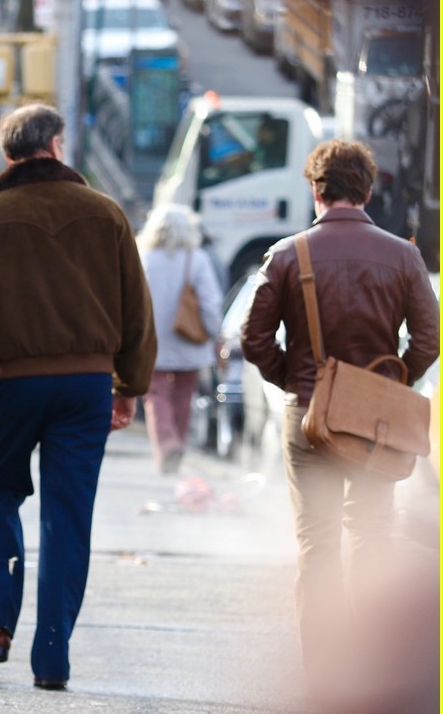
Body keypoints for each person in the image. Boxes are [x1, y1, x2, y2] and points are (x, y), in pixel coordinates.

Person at [0, 103, 156, 689]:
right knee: (67, 517)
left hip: (9, 384)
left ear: (8, 154)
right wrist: (129, 385)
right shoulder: (106, 213)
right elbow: (136, 309)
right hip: (87, 386)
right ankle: (53, 657)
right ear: (57, 146)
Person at [239, 139, 438, 681]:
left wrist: (300, 383)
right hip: (377, 422)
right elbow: (430, 337)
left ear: (315, 190)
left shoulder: (287, 254)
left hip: (308, 416)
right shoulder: (404, 255)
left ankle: (325, 670)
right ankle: (376, 662)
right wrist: (394, 380)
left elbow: (254, 340)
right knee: (374, 534)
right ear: (368, 191)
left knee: (316, 542)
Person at [135, 204, 223, 475]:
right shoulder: (196, 259)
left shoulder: (145, 257)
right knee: (184, 395)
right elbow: (210, 302)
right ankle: (178, 445)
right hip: (188, 340)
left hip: (153, 341)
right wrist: (214, 332)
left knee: (155, 396)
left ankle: (167, 445)